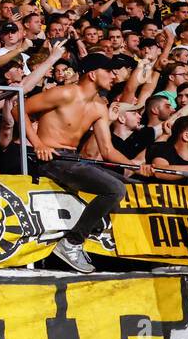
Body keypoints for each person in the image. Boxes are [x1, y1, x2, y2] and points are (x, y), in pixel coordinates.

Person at [25, 53, 153, 272]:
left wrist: (134, 165)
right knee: (115, 189)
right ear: (92, 74)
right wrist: (38, 144)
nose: (114, 76)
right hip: (52, 160)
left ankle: (98, 240)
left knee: (134, 188)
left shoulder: (99, 107)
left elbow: (107, 150)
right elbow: (19, 108)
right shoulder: (64, 93)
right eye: (109, 71)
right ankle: (72, 242)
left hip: (75, 161)